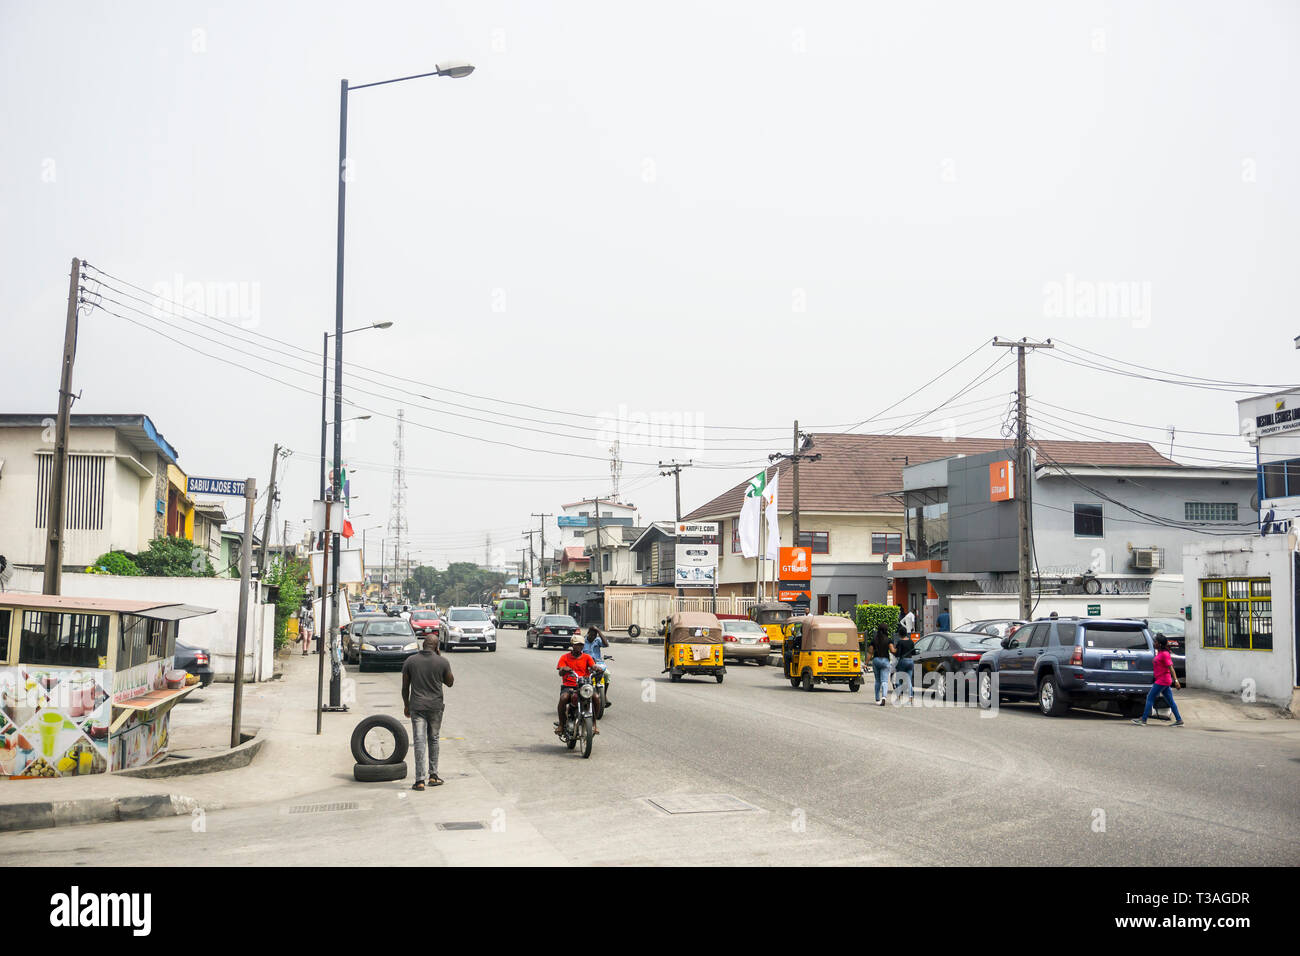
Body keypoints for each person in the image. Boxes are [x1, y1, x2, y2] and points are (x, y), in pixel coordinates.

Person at [401, 634, 455, 791]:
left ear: (422, 645)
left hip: (417, 707)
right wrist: (440, 659)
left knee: (419, 742)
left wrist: (406, 705)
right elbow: (450, 682)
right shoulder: (442, 661)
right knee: (434, 739)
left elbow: (405, 687)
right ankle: (433, 775)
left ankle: (419, 780)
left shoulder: (410, 661)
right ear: (436, 647)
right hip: (435, 707)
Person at [1132, 635, 1184, 727]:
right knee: (1170, 700)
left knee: (1150, 697)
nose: (1154, 643)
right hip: (1162, 680)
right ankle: (1179, 720)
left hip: (1162, 680)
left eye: (1155, 642)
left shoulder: (1165, 654)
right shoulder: (1160, 653)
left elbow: (1171, 667)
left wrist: (1176, 680)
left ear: (1159, 644)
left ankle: (1143, 719)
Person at [556, 636, 602, 736]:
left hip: (584, 685)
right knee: (563, 698)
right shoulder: (564, 657)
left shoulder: (587, 657)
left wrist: (596, 667)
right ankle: (561, 724)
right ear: (572, 645)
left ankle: (594, 724)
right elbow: (560, 672)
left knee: (596, 697)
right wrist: (564, 669)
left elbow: (592, 665)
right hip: (569, 686)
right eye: (577, 645)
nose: (579, 647)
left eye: (581, 645)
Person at [582, 626, 610, 708]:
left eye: (594, 635)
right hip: (586, 664)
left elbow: (606, 644)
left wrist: (599, 631)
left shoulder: (597, 640)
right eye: (591, 635)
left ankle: (603, 695)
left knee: (607, 674)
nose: (592, 637)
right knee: (585, 679)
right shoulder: (582, 641)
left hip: (598, 663)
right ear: (588, 633)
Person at [867, 625, 892, 706]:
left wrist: (866, 663)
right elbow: (892, 650)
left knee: (877, 681)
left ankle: (877, 699)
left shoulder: (874, 640)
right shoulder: (888, 640)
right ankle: (884, 697)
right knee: (884, 681)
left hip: (876, 660)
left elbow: (870, 652)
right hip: (885, 660)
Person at [891, 628, 916, 704]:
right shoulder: (911, 642)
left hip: (903, 661)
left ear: (899, 634)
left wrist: (893, 652)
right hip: (910, 661)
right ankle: (911, 699)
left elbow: (898, 654)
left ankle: (898, 698)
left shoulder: (900, 642)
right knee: (908, 680)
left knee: (898, 680)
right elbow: (914, 653)